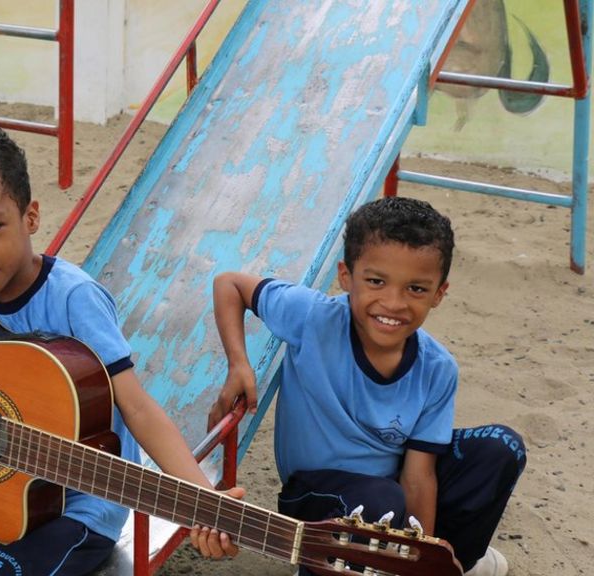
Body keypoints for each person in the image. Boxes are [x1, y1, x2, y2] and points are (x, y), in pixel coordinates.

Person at [0, 127, 242, 575]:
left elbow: (137, 408)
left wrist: (200, 498)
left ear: (30, 217)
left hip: (78, 505)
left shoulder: (73, 300)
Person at [208, 196, 526, 576]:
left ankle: (449, 563)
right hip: (317, 497)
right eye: (376, 281)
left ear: (439, 293)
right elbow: (229, 284)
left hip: (391, 489)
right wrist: (238, 364)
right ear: (347, 276)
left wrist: (420, 553)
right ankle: (320, 565)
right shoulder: (313, 317)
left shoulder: (437, 368)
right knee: (381, 500)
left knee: (501, 447)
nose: (393, 302)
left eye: (416, 289)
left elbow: (418, 474)